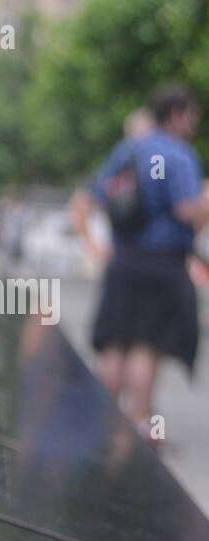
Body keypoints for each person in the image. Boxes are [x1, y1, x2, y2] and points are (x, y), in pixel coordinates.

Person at [70, 85, 209, 441]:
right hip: (162, 265)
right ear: (176, 114)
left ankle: (102, 421)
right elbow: (186, 211)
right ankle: (137, 424)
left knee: (115, 343)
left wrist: (96, 245)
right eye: (191, 115)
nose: (194, 123)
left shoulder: (129, 149)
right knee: (146, 346)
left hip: (124, 261)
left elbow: (92, 198)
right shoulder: (179, 155)